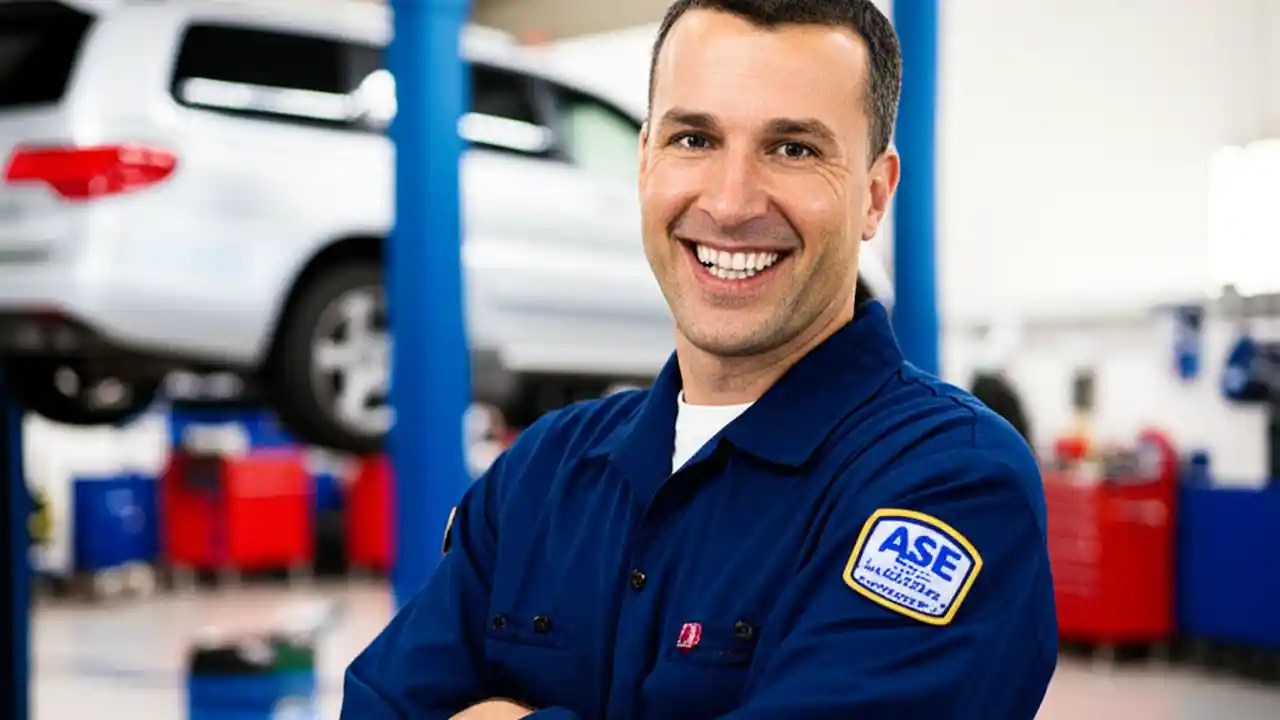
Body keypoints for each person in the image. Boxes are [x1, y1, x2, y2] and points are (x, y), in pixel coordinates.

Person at [341, 1, 1057, 718]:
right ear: (645, 159)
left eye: (793, 149)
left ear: (874, 195)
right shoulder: (544, 473)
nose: (731, 200)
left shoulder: (950, 482)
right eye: (694, 139)